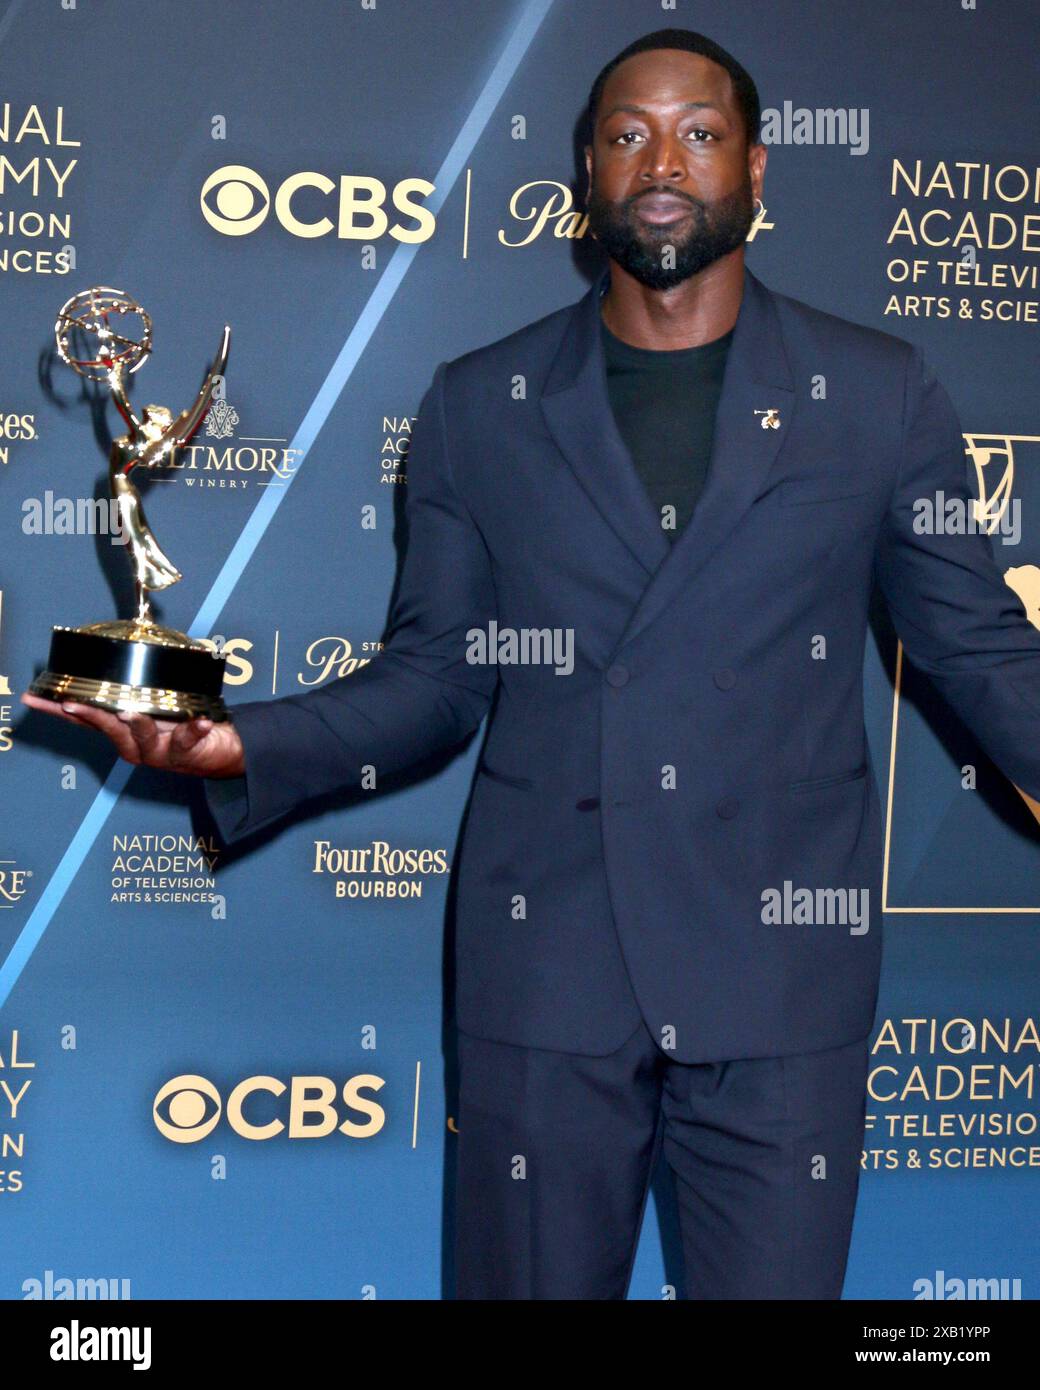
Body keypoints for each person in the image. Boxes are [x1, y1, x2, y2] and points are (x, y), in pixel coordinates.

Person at [22, 28, 1040, 1299]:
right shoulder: (478, 405)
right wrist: (241, 741)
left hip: (778, 984)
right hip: (547, 970)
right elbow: (436, 681)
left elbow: (976, 644)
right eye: (625, 134)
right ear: (585, 175)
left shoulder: (877, 394)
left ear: (758, 170)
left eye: (698, 132)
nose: (660, 159)